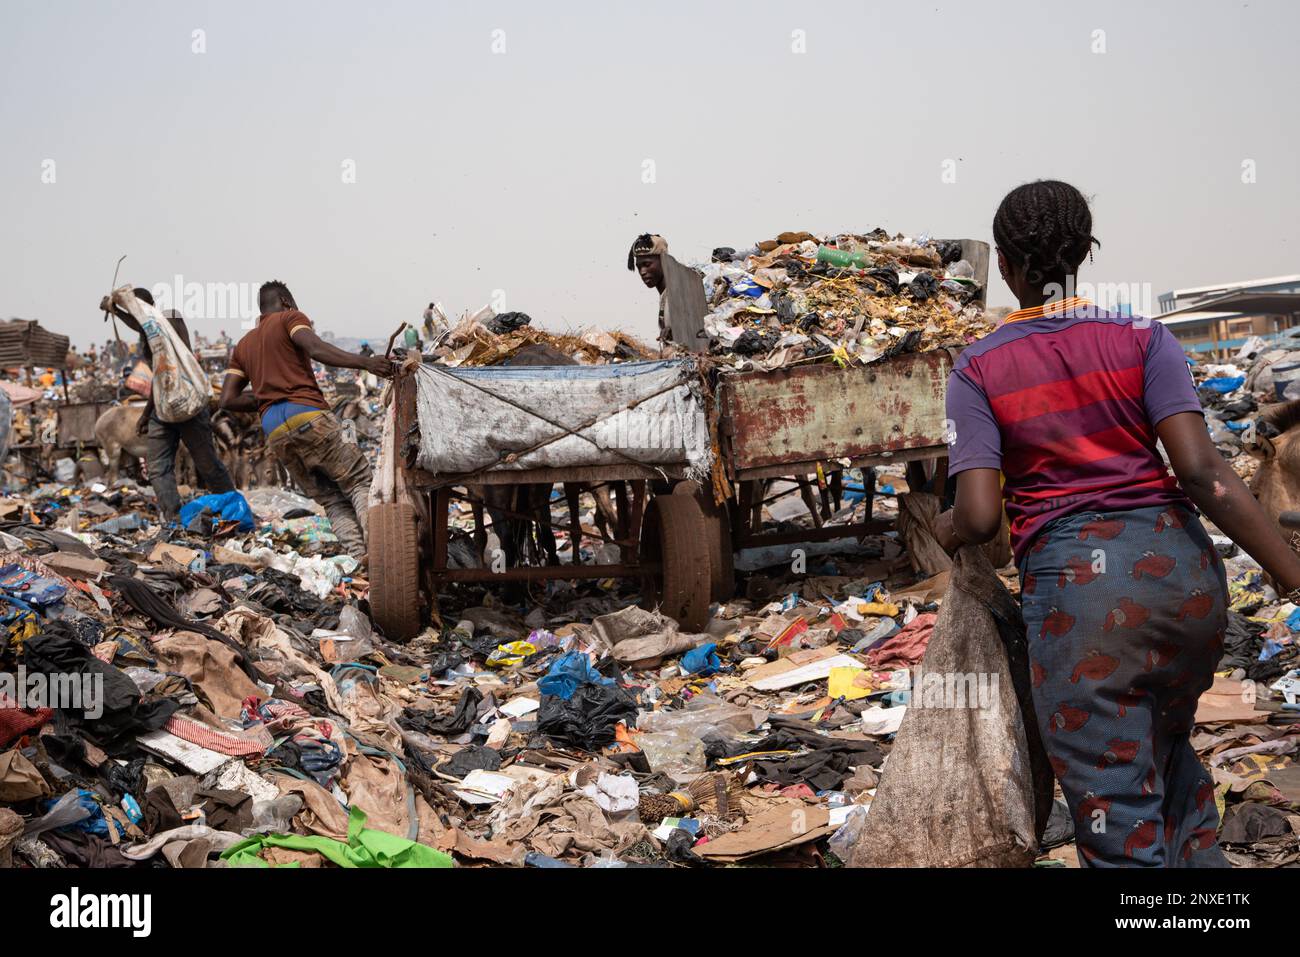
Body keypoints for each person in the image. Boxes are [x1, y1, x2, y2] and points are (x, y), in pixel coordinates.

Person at [935, 180, 1300, 867]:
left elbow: (981, 513)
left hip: (1086, 609)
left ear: (1007, 267)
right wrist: (1291, 573)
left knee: (1119, 816)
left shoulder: (976, 367)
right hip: (1186, 589)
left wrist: (947, 526)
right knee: (1169, 771)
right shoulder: (1145, 336)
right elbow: (1204, 474)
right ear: (1081, 256)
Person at [219, 281, 393, 560]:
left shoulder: (242, 346)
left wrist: (266, 397)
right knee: (359, 481)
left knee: (333, 499)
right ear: (286, 302)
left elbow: (227, 399)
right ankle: (383, 559)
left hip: (275, 431)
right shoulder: (291, 318)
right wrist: (367, 363)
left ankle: (360, 559)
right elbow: (316, 349)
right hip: (310, 415)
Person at [100, 287, 235, 521]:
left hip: (188, 403)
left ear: (150, 306)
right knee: (158, 467)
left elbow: (149, 326)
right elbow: (160, 378)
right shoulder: (145, 333)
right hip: (162, 408)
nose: (137, 312)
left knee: (207, 464)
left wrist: (118, 311)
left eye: (138, 307)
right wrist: (146, 415)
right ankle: (173, 519)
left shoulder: (169, 319)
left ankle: (233, 509)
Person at [628, 233, 709, 354]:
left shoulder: (681, 292)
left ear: (663, 261)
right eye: (639, 267)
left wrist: (677, 330)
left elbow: (698, 333)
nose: (642, 272)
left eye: (647, 265)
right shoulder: (666, 296)